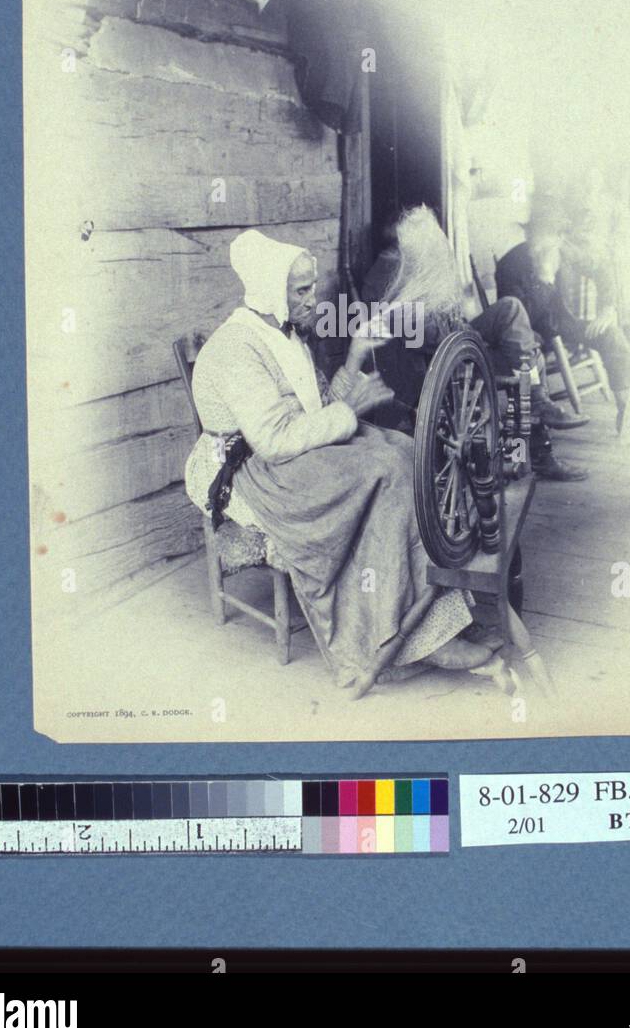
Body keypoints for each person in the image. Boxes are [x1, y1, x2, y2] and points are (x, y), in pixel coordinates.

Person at [184, 227, 499, 690]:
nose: (314, 299)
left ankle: (439, 620)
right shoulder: (237, 348)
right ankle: (395, 639)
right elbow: (274, 437)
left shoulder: (286, 336)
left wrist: (353, 357)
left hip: (290, 452)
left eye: (312, 286)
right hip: (244, 471)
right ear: (272, 291)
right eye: (302, 290)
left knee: (408, 452)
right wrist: (350, 411)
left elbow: (318, 406)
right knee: (385, 473)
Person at [361, 207, 589, 482]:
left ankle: (532, 442)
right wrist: (448, 318)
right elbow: (415, 332)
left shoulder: (410, 265)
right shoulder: (389, 271)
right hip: (443, 361)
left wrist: (453, 317)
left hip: (455, 344)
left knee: (520, 337)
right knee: (524, 354)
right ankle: (531, 451)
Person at [495, 224, 630, 432]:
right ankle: (538, 430)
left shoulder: (564, 252)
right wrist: (544, 280)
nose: (542, 244)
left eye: (551, 237)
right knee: (528, 355)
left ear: (558, 237)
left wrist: (607, 308)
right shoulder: (510, 264)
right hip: (530, 332)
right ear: (528, 234)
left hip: (562, 321)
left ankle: (626, 409)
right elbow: (518, 321)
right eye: (535, 235)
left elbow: (603, 266)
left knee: (611, 335)